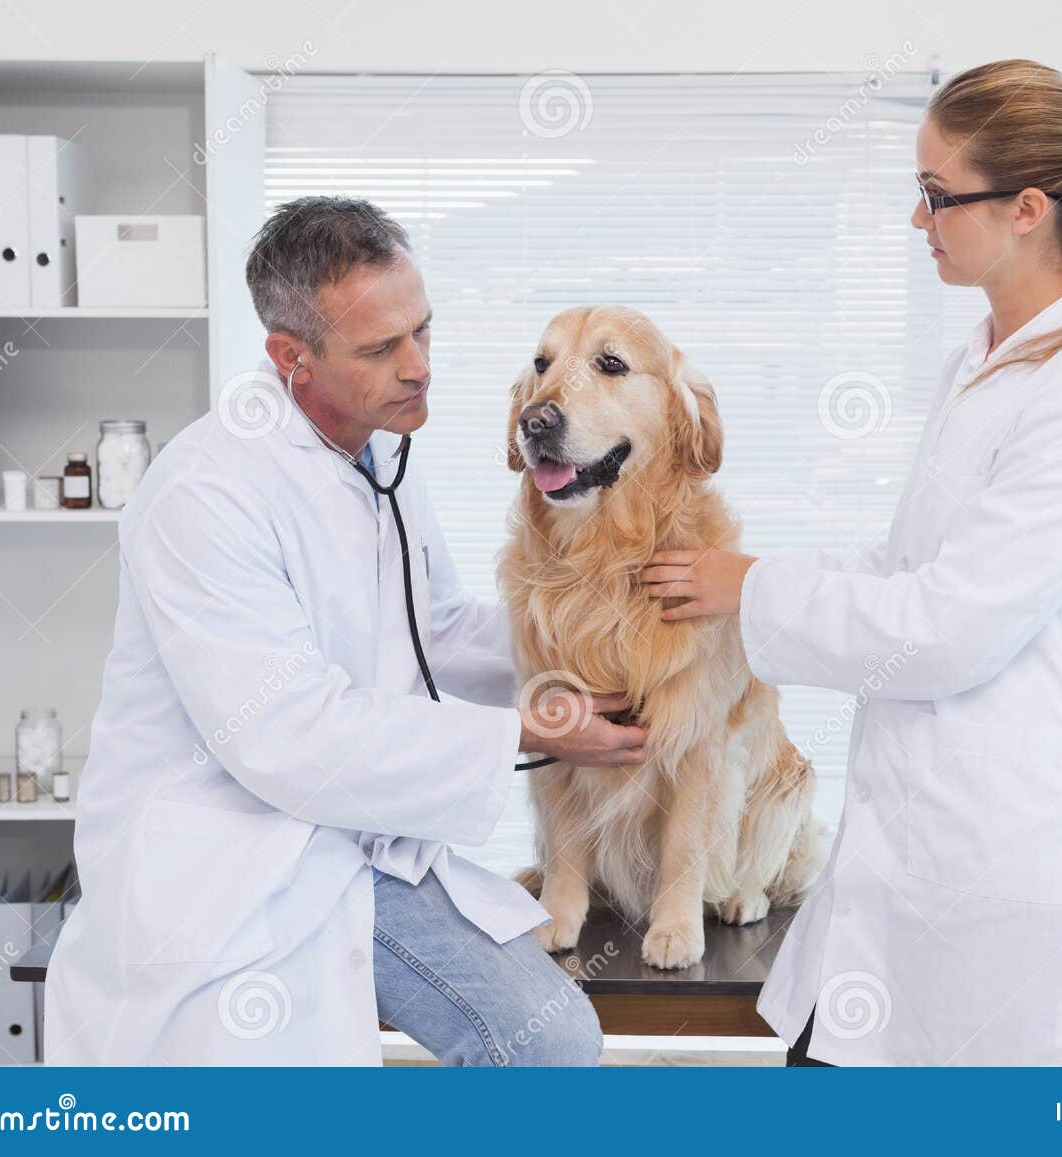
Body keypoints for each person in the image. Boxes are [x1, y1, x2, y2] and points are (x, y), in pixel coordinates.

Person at [639, 59, 1062, 1066]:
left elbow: (947, 629)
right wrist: (741, 574)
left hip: (1002, 891)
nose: (917, 220)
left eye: (938, 197)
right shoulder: (987, 359)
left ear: (1027, 207)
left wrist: (753, 589)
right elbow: (915, 565)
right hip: (912, 870)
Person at [45, 196, 646, 1066]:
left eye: (423, 332)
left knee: (549, 1040)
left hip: (363, 835)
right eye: (379, 349)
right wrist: (531, 727)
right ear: (291, 359)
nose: (419, 367)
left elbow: (431, 628)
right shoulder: (206, 493)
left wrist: (578, 661)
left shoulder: (384, 448)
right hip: (237, 854)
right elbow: (289, 731)